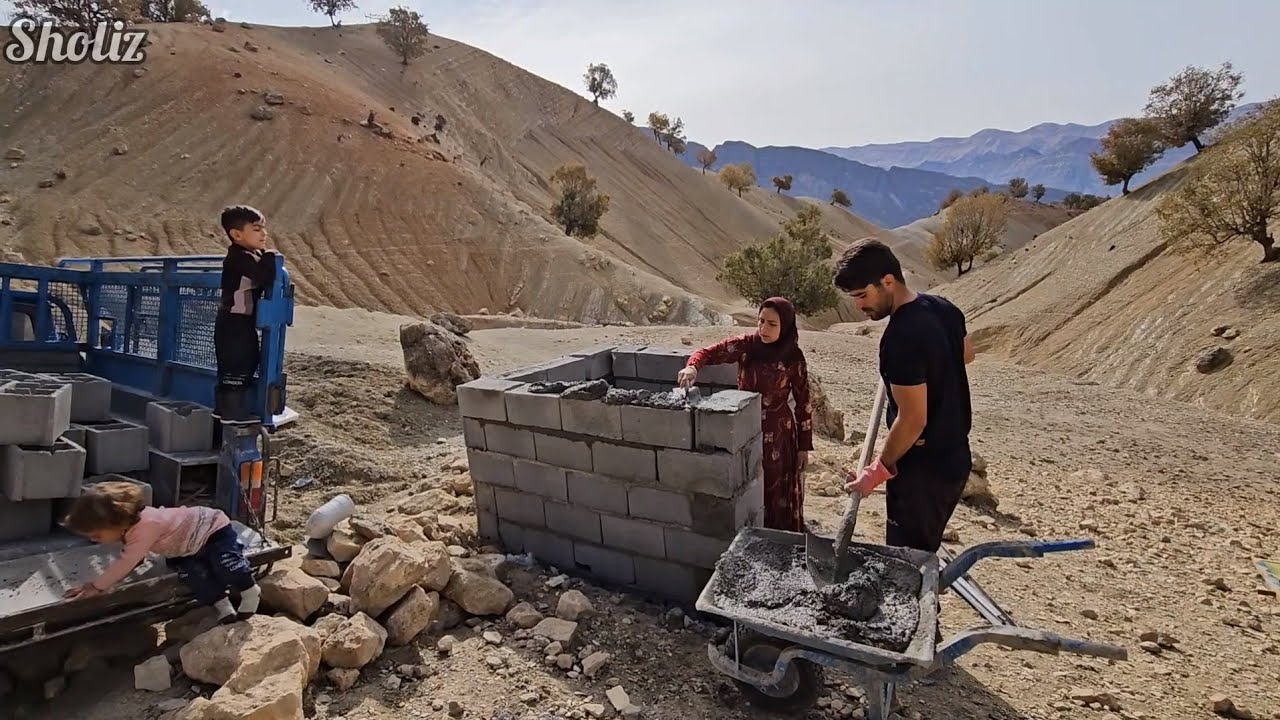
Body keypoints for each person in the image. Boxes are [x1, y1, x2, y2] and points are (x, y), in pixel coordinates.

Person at [833, 238, 975, 553]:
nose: (859, 306)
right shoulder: (944, 308)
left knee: (906, 560)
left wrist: (877, 471)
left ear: (888, 281)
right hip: (955, 459)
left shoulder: (900, 337)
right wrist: (917, 373)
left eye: (863, 295)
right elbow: (966, 354)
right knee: (924, 548)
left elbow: (912, 421)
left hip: (922, 471)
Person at [677, 297, 814, 532]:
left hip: (779, 435)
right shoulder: (746, 346)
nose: (763, 329)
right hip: (745, 430)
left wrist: (803, 447)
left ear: (785, 326)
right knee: (749, 485)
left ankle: (779, 538)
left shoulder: (793, 357)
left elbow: (803, 403)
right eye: (760, 321)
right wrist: (692, 366)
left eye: (772, 324)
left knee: (776, 488)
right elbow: (708, 353)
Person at [61, 481, 261, 625]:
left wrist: (96, 586)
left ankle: (249, 590)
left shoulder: (147, 525)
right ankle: (222, 604)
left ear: (116, 523)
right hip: (185, 548)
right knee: (193, 576)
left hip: (212, 530)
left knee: (226, 563)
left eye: (96, 535)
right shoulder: (129, 529)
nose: (94, 540)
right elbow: (135, 556)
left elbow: (127, 561)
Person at [215, 204, 278, 422]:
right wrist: (270, 256)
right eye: (257, 229)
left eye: (263, 229)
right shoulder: (239, 258)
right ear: (237, 234)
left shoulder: (247, 255)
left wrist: (264, 255)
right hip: (234, 323)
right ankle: (232, 413)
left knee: (244, 360)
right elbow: (264, 276)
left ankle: (224, 412)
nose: (264, 234)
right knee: (238, 363)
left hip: (239, 322)